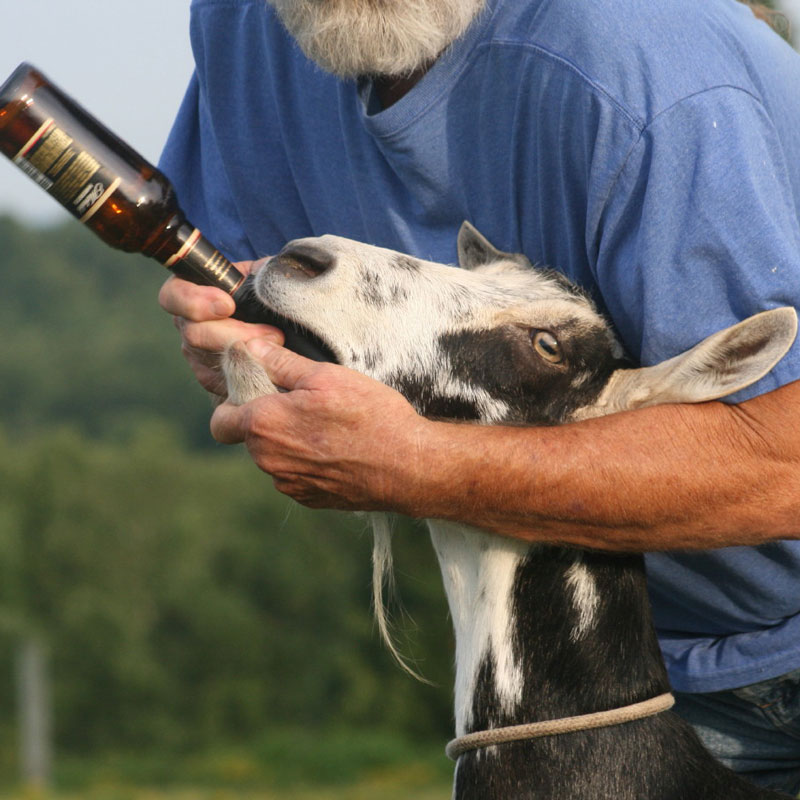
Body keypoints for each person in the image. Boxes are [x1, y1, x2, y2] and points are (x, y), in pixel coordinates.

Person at [158, 0, 800, 792]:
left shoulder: (643, 68)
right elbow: (263, 291)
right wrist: (243, 341)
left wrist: (417, 464)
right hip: (603, 673)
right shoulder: (249, 29)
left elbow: (787, 467)